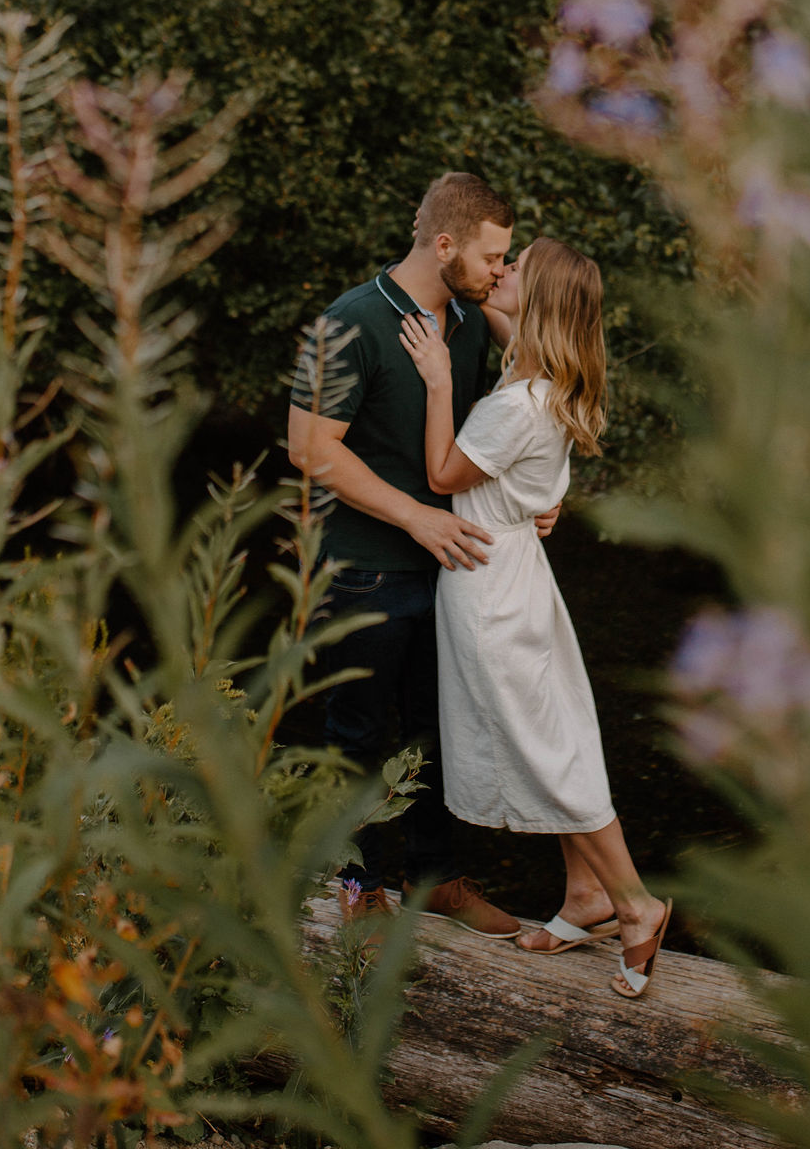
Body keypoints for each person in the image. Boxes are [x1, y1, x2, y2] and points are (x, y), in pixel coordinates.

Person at [399, 237, 672, 999]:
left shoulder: (517, 403)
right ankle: (584, 896)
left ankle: (635, 902)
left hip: (489, 584)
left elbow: (443, 474)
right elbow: (498, 311)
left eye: (515, 267)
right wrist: (489, 293)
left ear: (541, 302)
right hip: (520, 568)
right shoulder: (550, 378)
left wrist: (438, 380)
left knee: (542, 748)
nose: (501, 270)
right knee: (555, 731)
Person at [288, 171, 541, 938]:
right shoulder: (348, 321)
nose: (502, 269)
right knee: (357, 733)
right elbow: (309, 448)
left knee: (444, 728)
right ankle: (357, 881)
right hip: (365, 568)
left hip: (453, 566)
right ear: (444, 245)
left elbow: (492, 427)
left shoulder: (466, 321)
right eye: (493, 255)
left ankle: (438, 878)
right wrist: (416, 519)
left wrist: (529, 500)